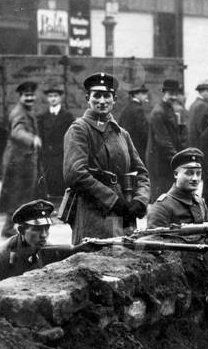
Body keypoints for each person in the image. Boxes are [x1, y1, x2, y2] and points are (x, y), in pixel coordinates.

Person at [62, 72, 150, 243]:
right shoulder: (79, 130)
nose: (102, 101)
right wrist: (113, 200)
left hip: (125, 214)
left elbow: (142, 173)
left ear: (114, 99)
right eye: (97, 95)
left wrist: (140, 201)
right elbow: (75, 174)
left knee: (124, 257)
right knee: (95, 257)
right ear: (88, 98)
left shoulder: (122, 134)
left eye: (107, 96)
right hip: (93, 215)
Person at [0, 199, 92, 286]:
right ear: (21, 230)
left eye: (47, 228)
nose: (44, 235)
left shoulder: (49, 250)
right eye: (37, 229)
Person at [0, 81, 42, 237]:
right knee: (18, 194)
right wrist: (32, 139)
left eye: (31, 95)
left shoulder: (26, 110)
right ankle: (10, 228)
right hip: (18, 161)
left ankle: (11, 227)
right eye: (26, 95)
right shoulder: (19, 113)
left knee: (21, 194)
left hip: (22, 159)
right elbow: (17, 132)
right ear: (20, 96)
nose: (30, 98)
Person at [146, 147, 208, 228]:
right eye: (189, 173)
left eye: (198, 173)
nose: (195, 178)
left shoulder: (200, 202)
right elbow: (154, 235)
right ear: (176, 174)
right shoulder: (161, 208)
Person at [146, 78, 184, 200]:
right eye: (171, 94)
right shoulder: (159, 112)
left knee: (170, 195)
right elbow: (163, 141)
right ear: (164, 93)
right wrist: (177, 158)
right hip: (159, 162)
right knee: (162, 196)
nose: (174, 97)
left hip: (167, 160)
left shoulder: (169, 108)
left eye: (175, 94)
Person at [37, 81, 74, 201]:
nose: (53, 99)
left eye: (55, 96)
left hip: (62, 154)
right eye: (50, 96)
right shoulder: (42, 117)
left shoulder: (67, 116)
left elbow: (71, 136)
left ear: (60, 98)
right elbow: (40, 136)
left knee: (62, 181)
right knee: (49, 181)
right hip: (48, 155)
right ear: (47, 99)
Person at [118, 83, 150, 161]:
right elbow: (143, 131)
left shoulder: (127, 109)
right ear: (136, 95)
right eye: (143, 93)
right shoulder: (138, 109)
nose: (146, 96)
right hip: (138, 148)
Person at [186, 80, 208, 146]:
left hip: (192, 141)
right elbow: (202, 127)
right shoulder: (202, 105)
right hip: (200, 142)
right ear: (204, 92)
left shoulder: (194, 104)